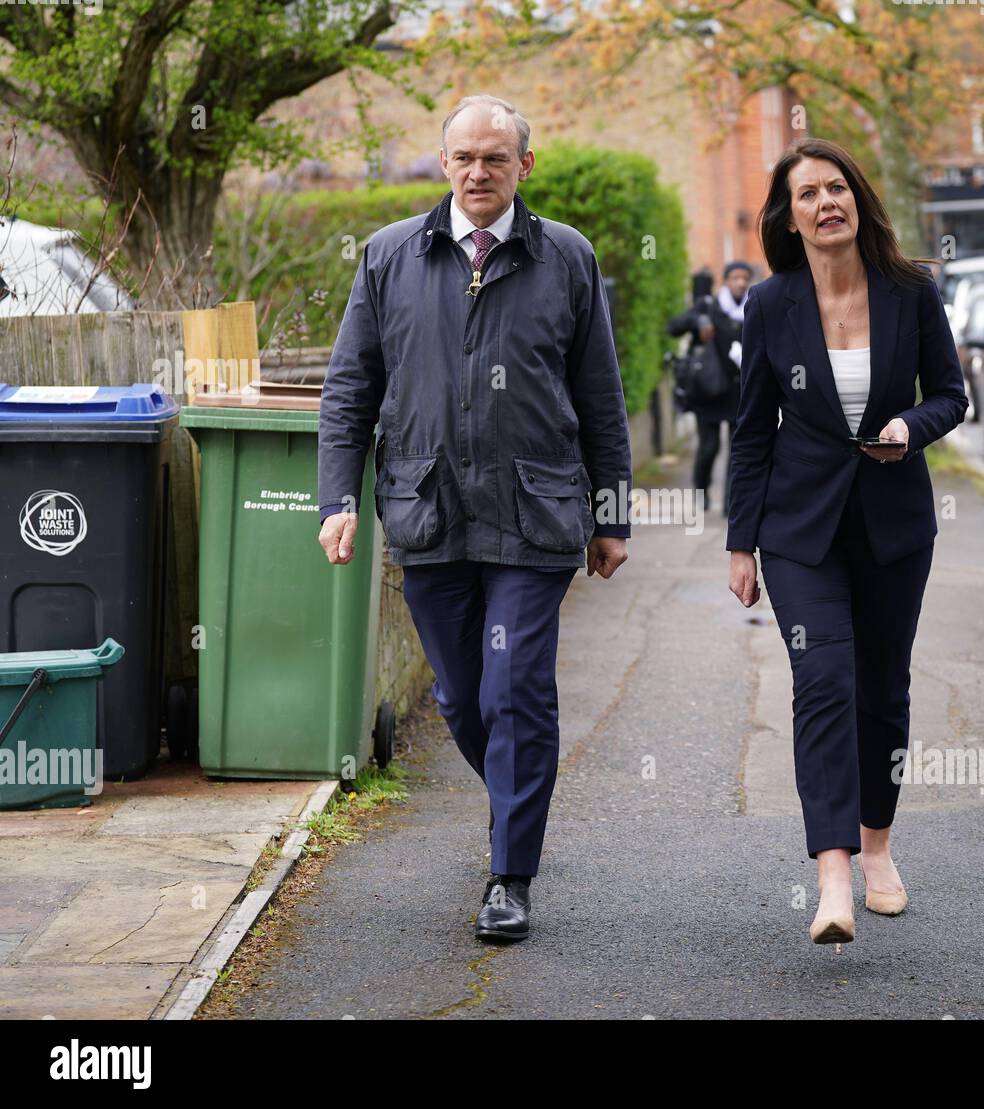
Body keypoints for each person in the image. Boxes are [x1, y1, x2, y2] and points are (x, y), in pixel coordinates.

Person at [316, 94, 632, 944]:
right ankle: (514, 802)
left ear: (524, 166)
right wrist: (337, 500)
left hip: (535, 518)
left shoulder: (566, 256)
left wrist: (612, 513)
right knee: (460, 696)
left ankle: (510, 874)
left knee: (514, 688)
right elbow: (351, 388)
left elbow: (600, 396)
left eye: (496, 157)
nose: (479, 171)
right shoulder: (390, 257)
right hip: (430, 513)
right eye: (465, 157)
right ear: (444, 162)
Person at [726, 136, 967, 948]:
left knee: (881, 691)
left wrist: (911, 424)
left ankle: (878, 846)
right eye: (808, 195)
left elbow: (954, 396)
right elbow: (752, 430)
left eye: (837, 188)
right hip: (799, 531)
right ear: (788, 219)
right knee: (823, 679)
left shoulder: (911, 292)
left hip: (895, 524)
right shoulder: (771, 306)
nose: (826, 203)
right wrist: (738, 543)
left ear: (857, 200)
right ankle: (832, 873)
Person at [669, 261, 753, 510]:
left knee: (736, 452)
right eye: (735, 277)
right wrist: (698, 321)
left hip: (739, 392)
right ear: (726, 281)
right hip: (708, 392)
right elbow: (673, 327)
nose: (740, 282)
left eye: (744, 278)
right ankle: (701, 491)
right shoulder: (709, 307)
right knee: (709, 447)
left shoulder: (754, 307)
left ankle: (731, 502)